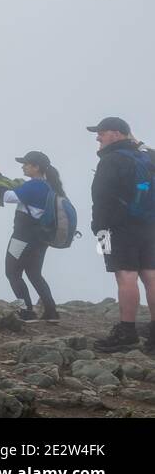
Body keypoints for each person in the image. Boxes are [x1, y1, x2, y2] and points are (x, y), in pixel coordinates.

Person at [87, 117, 155, 352]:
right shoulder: (148, 156)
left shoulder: (111, 160)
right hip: (149, 226)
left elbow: (101, 196)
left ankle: (127, 331)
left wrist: (99, 227)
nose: (98, 137)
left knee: (125, 276)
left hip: (119, 227)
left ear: (116, 134)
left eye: (101, 133)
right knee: (151, 275)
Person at [0, 151, 61, 321]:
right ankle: (51, 311)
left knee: (12, 272)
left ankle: (26, 311)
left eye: (26, 164)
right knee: (34, 273)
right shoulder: (48, 186)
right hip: (40, 238)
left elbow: (8, 196)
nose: (23, 166)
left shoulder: (35, 186)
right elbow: (16, 188)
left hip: (22, 237)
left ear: (36, 167)